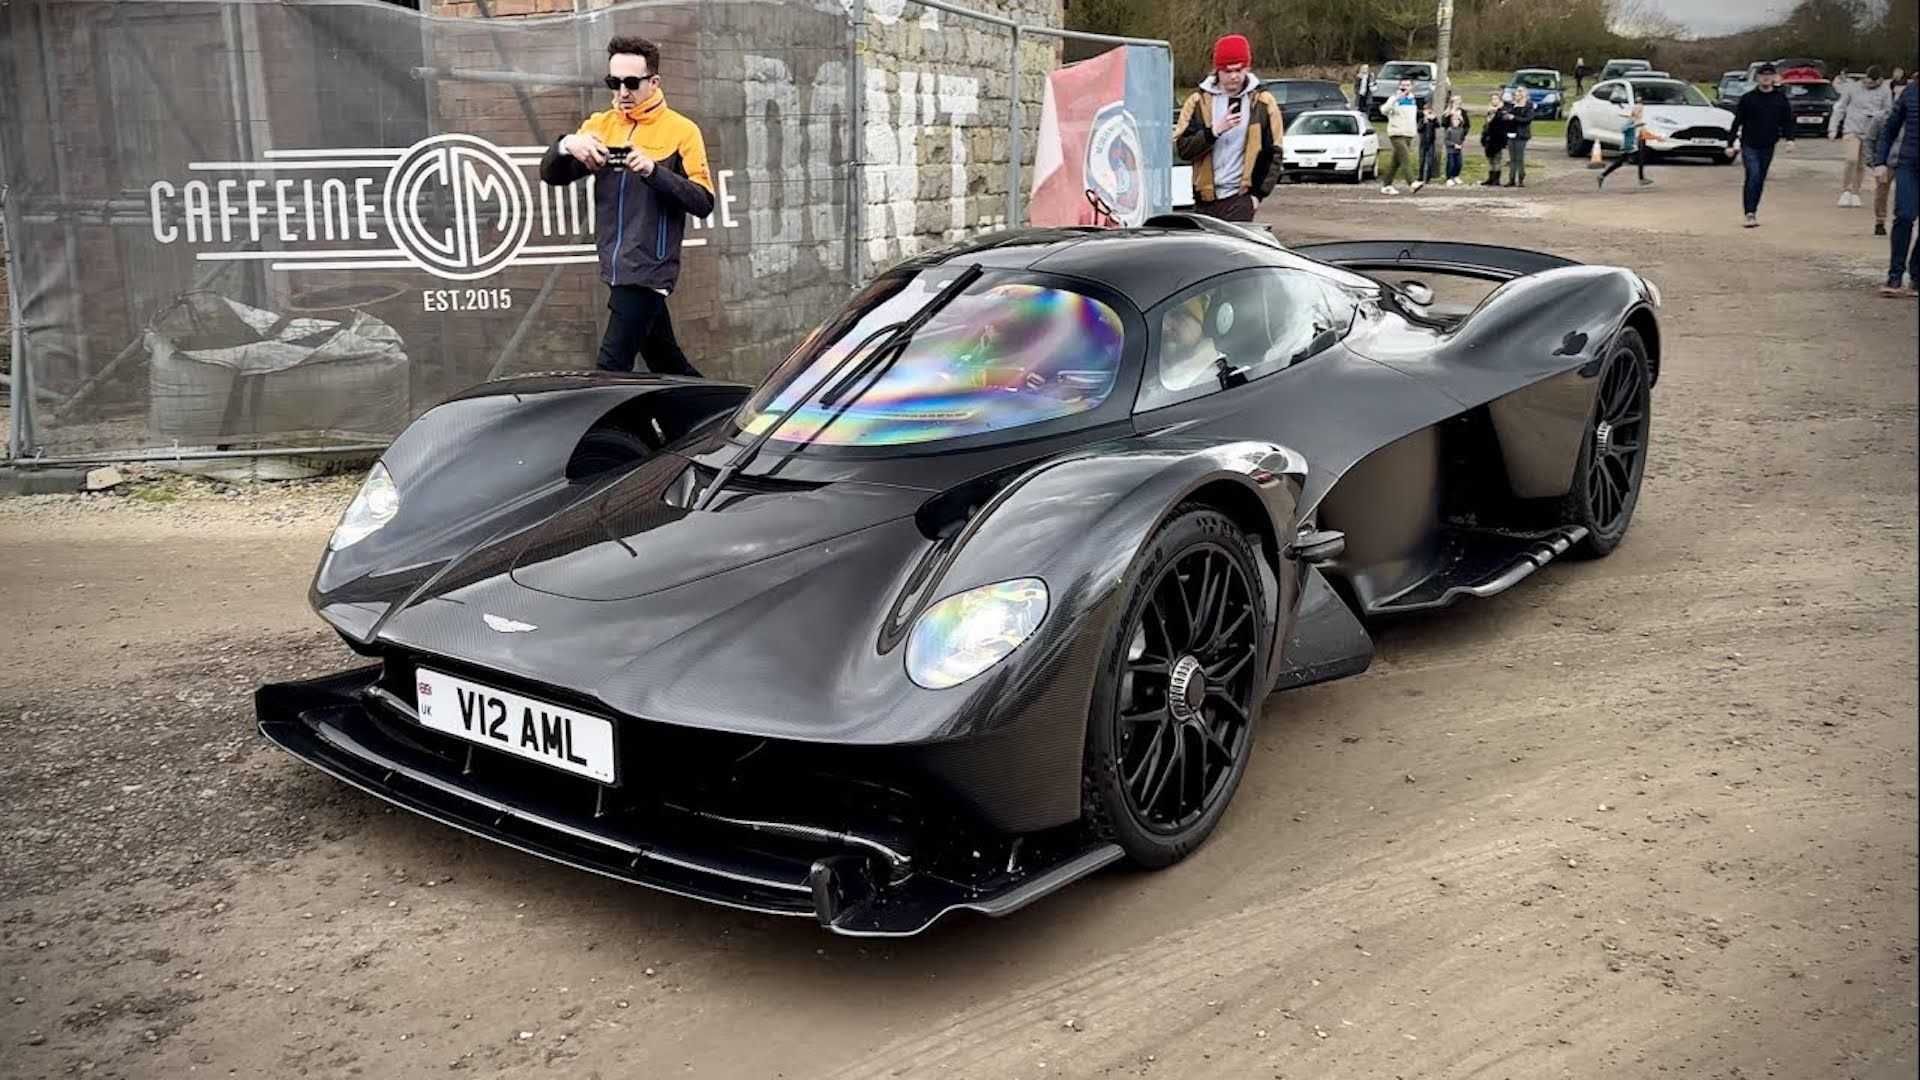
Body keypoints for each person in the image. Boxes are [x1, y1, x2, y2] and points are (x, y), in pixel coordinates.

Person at [542, 36, 714, 376]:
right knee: (667, 363)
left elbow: (703, 201)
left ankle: (601, 430)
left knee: (609, 369)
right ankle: (718, 417)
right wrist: (566, 145)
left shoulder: (682, 131)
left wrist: (653, 171)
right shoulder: (600, 127)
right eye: (614, 82)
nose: (622, 92)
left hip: (650, 269)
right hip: (615, 266)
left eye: (631, 83)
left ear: (654, 82)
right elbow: (552, 175)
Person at [1174, 34, 1283, 222]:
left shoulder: (1263, 103)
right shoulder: (1198, 102)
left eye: (1239, 70)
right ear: (1217, 70)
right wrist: (1214, 131)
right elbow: (1183, 149)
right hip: (1205, 199)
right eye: (1227, 71)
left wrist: (1257, 196)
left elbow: (1274, 152)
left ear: (1247, 68)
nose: (1234, 77)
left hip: (1240, 198)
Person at [1727, 63, 1796, 227]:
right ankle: (1749, 213)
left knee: (1759, 179)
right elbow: (1737, 122)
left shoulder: (1780, 99)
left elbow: (1787, 121)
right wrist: (1730, 143)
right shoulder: (1748, 98)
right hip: (1749, 143)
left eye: (1769, 75)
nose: (1766, 77)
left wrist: (1790, 139)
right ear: (1757, 78)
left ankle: (1753, 210)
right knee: (1754, 175)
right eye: (1762, 75)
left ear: (1774, 78)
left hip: (1768, 144)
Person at [1870, 76, 1919, 296]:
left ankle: (1916, 275)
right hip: (1908, 163)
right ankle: (1895, 276)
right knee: (1905, 215)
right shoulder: (1910, 93)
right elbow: (1889, 129)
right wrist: (1880, 161)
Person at [1831, 66, 1893, 218]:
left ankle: (1855, 192)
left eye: (1875, 82)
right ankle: (1846, 190)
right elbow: (1840, 107)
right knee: (1851, 159)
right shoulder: (1853, 88)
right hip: (1852, 127)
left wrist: (1877, 117)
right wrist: (1833, 127)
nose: (1871, 84)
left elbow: (1888, 110)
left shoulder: (1885, 90)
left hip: (1870, 131)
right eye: (1869, 81)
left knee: (1861, 163)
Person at [1598, 103, 1656, 189]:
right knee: (1637, 158)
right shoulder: (1631, 120)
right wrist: (1635, 126)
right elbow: (1624, 129)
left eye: (1641, 110)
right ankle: (1641, 178)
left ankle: (1602, 175)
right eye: (1639, 111)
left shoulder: (1638, 120)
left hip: (1635, 142)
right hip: (1630, 144)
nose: (1640, 112)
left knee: (1624, 160)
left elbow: (1641, 132)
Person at [1379, 78, 1420, 194]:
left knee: (1396, 161)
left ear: (1411, 87)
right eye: (1403, 85)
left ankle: (1386, 185)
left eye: (1407, 85)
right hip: (1396, 133)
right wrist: (1395, 100)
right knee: (1405, 157)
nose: (1405, 87)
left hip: (1409, 133)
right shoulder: (1394, 99)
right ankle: (1412, 182)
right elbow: (1383, 110)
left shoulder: (1412, 99)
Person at [1505, 87, 1536, 187]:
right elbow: (1506, 115)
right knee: (1512, 158)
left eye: (1519, 91)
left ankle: (1521, 178)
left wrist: (1514, 117)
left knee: (1519, 157)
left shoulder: (1529, 106)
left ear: (1524, 94)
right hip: (1511, 133)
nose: (1517, 93)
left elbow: (1527, 119)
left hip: (1521, 134)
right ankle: (1511, 179)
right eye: (1517, 92)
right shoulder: (1512, 105)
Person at [1481, 90, 1511, 186]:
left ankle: (1496, 179)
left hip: (1498, 138)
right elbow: (1486, 125)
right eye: (1492, 99)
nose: (1494, 101)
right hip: (1489, 138)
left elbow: (1502, 126)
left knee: (1497, 159)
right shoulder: (1489, 111)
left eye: (1496, 99)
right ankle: (1491, 177)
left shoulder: (1502, 112)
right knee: (1490, 159)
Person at [1441, 96, 1472, 186]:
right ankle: (1449, 177)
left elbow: (1467, 124)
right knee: (1450, 160)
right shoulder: (1448, 112)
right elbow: (1444, 123)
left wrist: (1463, 135)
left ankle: (1456, 176)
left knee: (1458, 161)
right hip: (1450, 136)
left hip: (1459, 136)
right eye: (1456, 101)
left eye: (1459, 101)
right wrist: (1451, 114)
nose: (1458, 103)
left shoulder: (1462, 112)